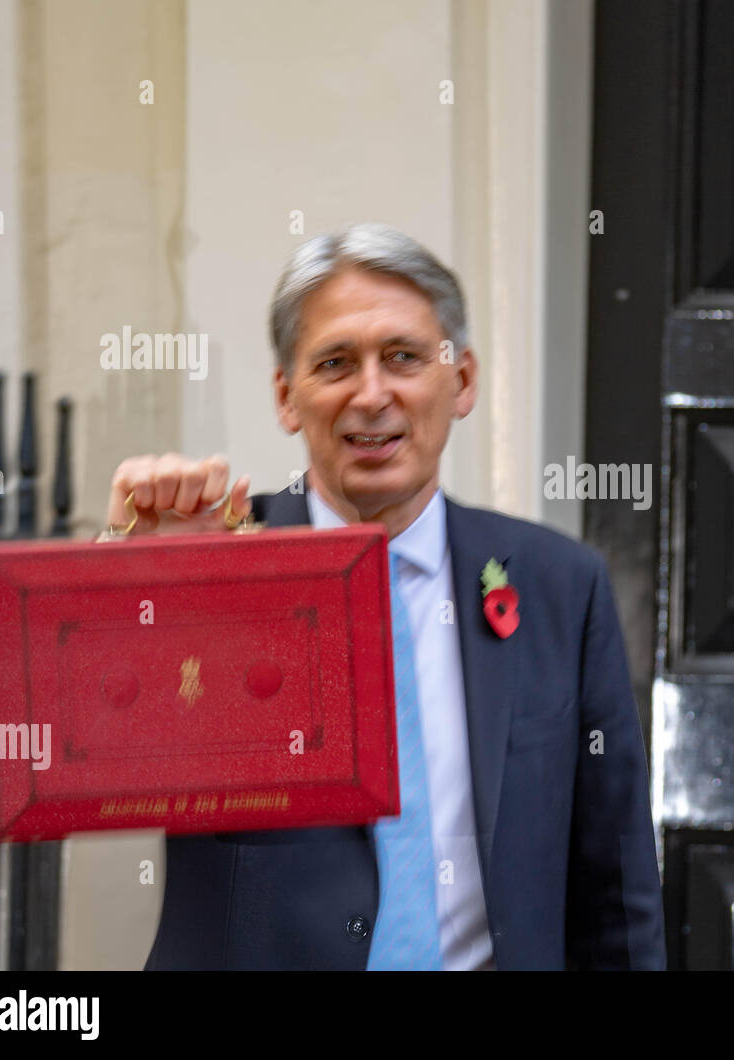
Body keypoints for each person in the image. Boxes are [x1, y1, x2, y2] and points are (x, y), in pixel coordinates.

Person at [107, 222, 665, 970]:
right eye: (336, 363)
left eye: (403, 357)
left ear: (462, 381)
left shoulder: (561, 585)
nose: (371, 395)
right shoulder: (221, 562)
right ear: (286, 396)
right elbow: (95, 758)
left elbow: (615, 887)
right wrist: (141, 583)